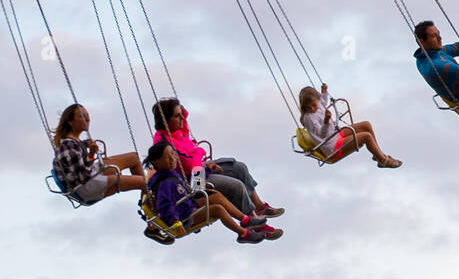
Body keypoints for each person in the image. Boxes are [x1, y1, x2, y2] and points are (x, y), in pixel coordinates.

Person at [151, 99, 284, 218]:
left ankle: (260, 207)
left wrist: (179, 108)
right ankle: (254, 220)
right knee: (237, 186)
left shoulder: (178, 129)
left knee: (239, 168)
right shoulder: (165, 140)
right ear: (166, 121)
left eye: (181, 115)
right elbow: (192, 166)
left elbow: (183, 116)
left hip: (201, 168)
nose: (182, 118)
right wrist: (198, 152)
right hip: (194, 181)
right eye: (177, 116)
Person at [143, 142, 279, 244]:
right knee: (218, 208)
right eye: (167, 157)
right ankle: (243, 234)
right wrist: (175, 221)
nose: (173, 158)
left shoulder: (172, 172)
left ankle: (246, 220)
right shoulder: (165, 183)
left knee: (217, 195)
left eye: (173, 154)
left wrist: (208, 170)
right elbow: (165, 205)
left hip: (188, 203)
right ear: (157, 162)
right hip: (183, 216)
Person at [50, 104, 147, 204]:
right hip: (85, 187)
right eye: (82, 116)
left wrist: (85, 144)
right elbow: (82, 178)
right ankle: (152, 205)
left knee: (133, 157)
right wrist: (91, 154)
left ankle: (149, 200)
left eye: (87, 115)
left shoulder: (74, 142)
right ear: (70, 121)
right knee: (145, 182)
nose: (87, 119)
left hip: (90, 174)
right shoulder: (68, 147)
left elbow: (79, 153)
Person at [299, 85, 401, 168]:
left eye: (314, 105)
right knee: (367, 136)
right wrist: (326, 121)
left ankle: (377, 155)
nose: (312, 108)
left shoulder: (319, 105)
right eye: (308, 107)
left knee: (366, 124)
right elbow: (321, 134)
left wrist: (324, 92)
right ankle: (383, 160)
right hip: (331, 146)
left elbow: (323, 102)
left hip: (335, 135)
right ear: (304, 107)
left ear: (317, 100)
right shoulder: (309, 118)